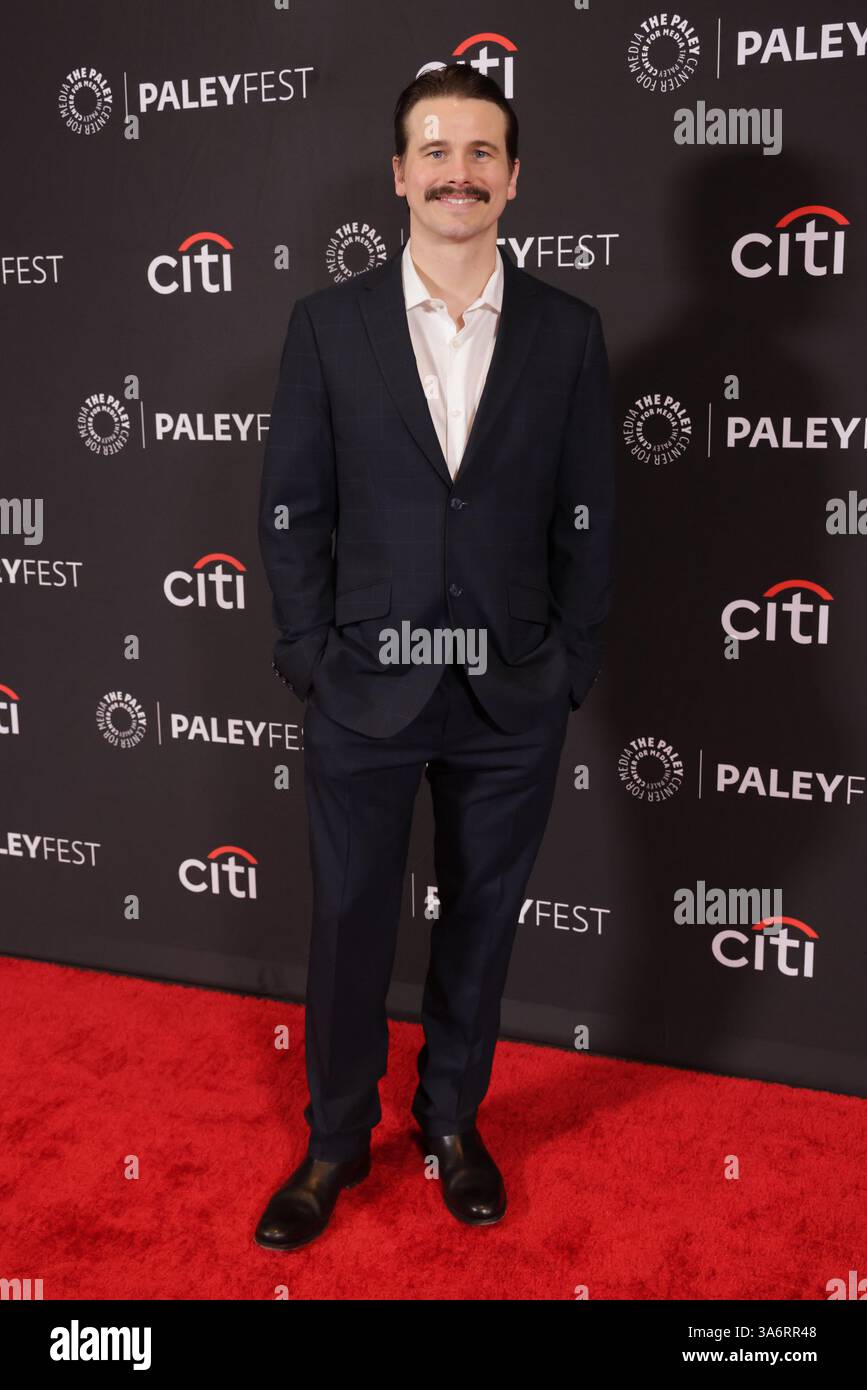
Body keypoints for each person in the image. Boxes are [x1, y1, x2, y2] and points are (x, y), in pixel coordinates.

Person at [255, 62, 616, 1251]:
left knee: (485, 917)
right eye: (435, 150)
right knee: (351, 918)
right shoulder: (327, 324)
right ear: (399, 174)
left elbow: (590, 513)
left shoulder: (568, 334)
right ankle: (336, 1136)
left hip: (514, 690)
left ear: (513, 179)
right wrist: (310, 653)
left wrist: (568, 662)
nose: (457, 173)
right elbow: (295, 507)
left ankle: (453, 1120)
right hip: (365, 681)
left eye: (480, 153)